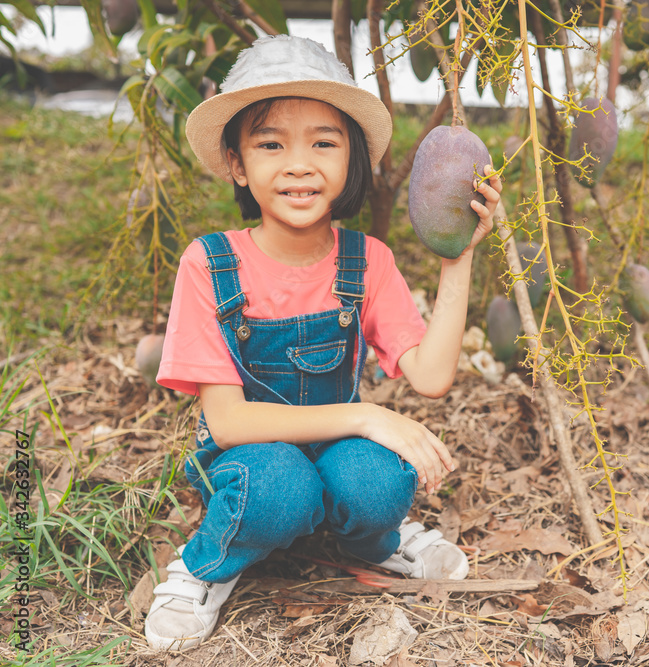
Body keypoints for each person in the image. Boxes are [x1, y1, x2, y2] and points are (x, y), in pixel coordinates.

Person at [145, 34, 501, 651]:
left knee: (383, 481)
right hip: (251, 459)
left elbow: (431, 376)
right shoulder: (209, 264)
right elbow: (226, 423)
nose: (299, 164)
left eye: (323, 142)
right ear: (236, 163)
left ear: (350, 158)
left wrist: (458, 259)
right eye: (270, 143)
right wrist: (367, 413)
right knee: (277, 486)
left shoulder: (367, 262)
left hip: (333, 451)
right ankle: (205, 566)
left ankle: (377, 544)